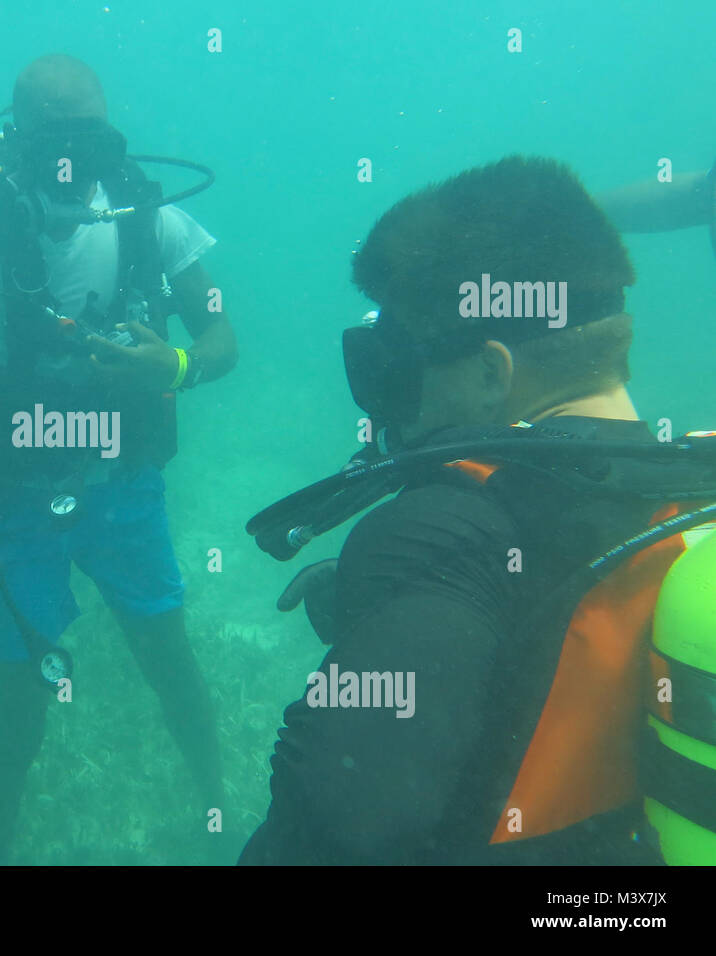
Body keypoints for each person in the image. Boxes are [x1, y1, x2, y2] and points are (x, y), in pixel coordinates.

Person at [241, 156, 716, 865]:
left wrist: (407, 577)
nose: (386, 400)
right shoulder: (693, 484)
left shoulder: (443, 529)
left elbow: (342, 828)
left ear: (494, 372)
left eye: (394, 368)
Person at [0, 54, 237, 864]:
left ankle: (226, 823)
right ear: (17, 140)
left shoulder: (149, 215)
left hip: (122, 485)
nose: (72, 167)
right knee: (18, 718)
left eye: (91, 143)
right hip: (11, 501)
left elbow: (220, 337)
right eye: (53, 146)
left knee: (172, 666)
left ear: (111, 140)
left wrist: (172, 368)